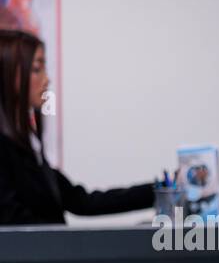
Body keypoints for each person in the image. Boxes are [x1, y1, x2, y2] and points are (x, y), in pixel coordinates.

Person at [0, 29, 153, 224]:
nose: (47, 80)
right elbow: (15, 224)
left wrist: (162, 188)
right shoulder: (6, 149)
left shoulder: (30, 148)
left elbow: (83, 202)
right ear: (8, 73)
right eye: (37, 69)